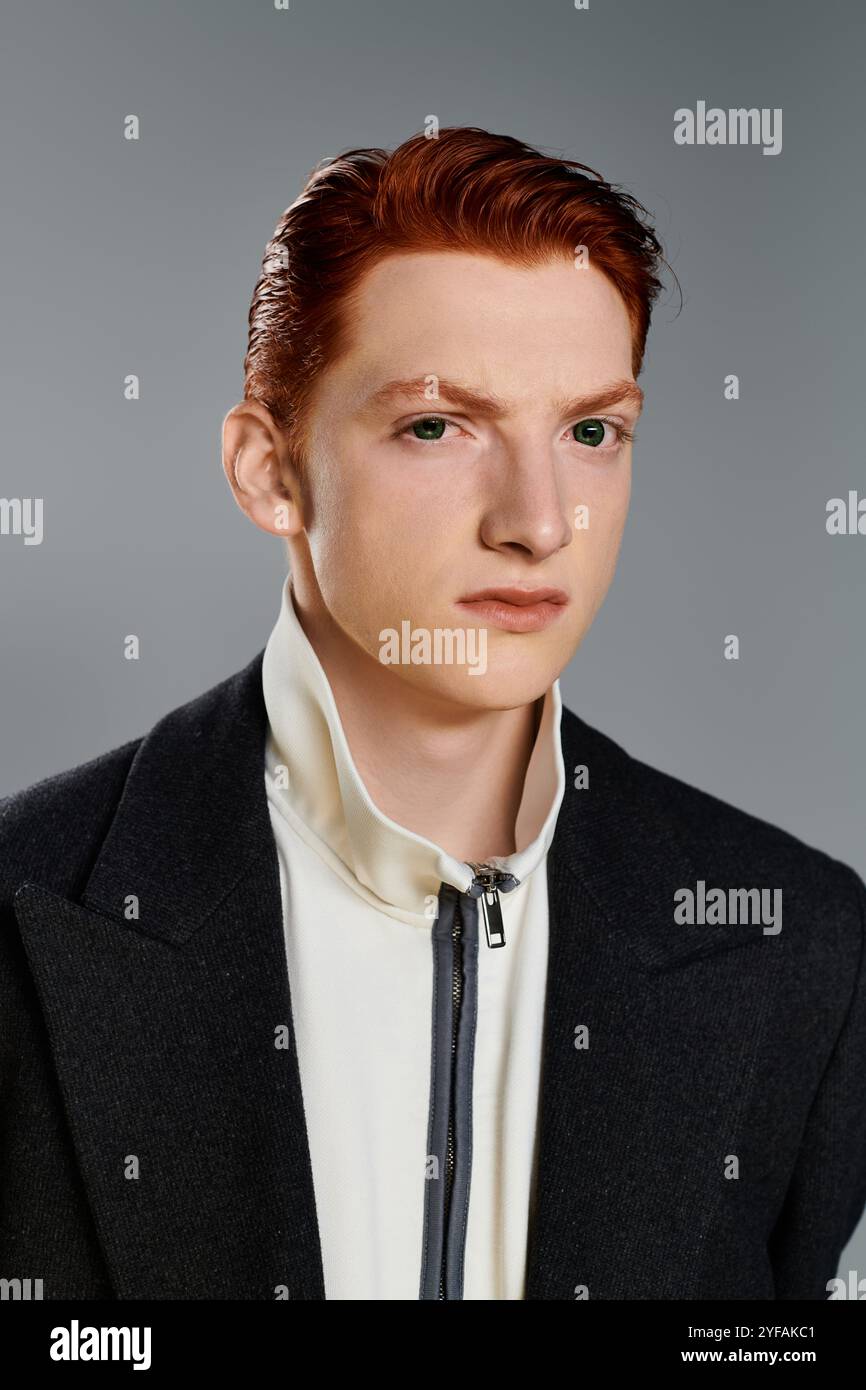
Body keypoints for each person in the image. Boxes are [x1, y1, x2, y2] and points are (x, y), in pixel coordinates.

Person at [1, 127, 864, 1302]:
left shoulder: (803, 945)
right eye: (435, 426)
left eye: (590, 432)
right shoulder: (24, 901)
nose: (538, 520)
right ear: (270, 470)